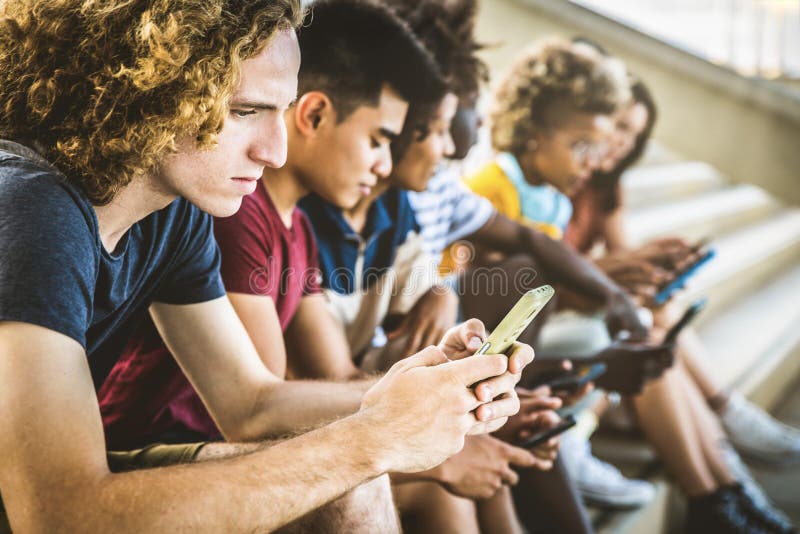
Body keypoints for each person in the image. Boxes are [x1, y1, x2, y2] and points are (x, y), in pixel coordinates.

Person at [0, 1, 533, 531]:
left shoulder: (173, 217)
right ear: (149, 85)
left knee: (348, 485)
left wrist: (407, 391)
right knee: (349, 466)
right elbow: (57, 515)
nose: (276, 151)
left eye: (282, 111)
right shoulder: (32, 206)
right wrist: (377, 438)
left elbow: (250, 404)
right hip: (51, 501)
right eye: (245, 111)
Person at [557, 58, 796, 532]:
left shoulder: (602, 183)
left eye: (633, 133)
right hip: (558, 336)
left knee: (658, 320)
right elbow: (535, 282)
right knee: (649, 336)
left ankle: (727, 489)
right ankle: (725, 461)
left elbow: (615, 263)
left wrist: (651, 266)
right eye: (618, 125)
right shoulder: (550, 176)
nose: (621, 141)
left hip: (581, 323)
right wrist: (625, 274)